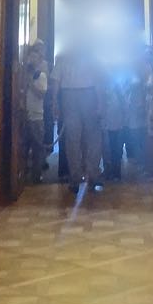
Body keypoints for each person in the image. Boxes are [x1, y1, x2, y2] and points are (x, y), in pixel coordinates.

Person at [50, 20, 104, 193]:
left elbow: (55, 82)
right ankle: (91, 175)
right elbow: (98, 82)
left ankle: (77, 177)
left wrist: (55, 102)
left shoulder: (64, 57)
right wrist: (100, 102)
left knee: (75, 139)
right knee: (90, 138)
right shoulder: (90, 56)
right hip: (85, 95)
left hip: (71, 96)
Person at [22, 41, 49, 183]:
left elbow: (42, 94)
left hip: (37, 115)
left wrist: (30, 85)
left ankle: (36, 175)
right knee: (24, 146)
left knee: (37, 147)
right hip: (25, 114)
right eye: (30, 57)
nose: (31, 60)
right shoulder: (23, 76)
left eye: (34, 57)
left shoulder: (41, 76)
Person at [102, 72, 128, 182]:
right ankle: (108, 171)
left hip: (116, 122)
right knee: (107, 149)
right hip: (106, 121)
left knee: (115, 149)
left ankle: (116, 172)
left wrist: (124, 118)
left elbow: (123, 103)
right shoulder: (102, 86)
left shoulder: (117, 87)